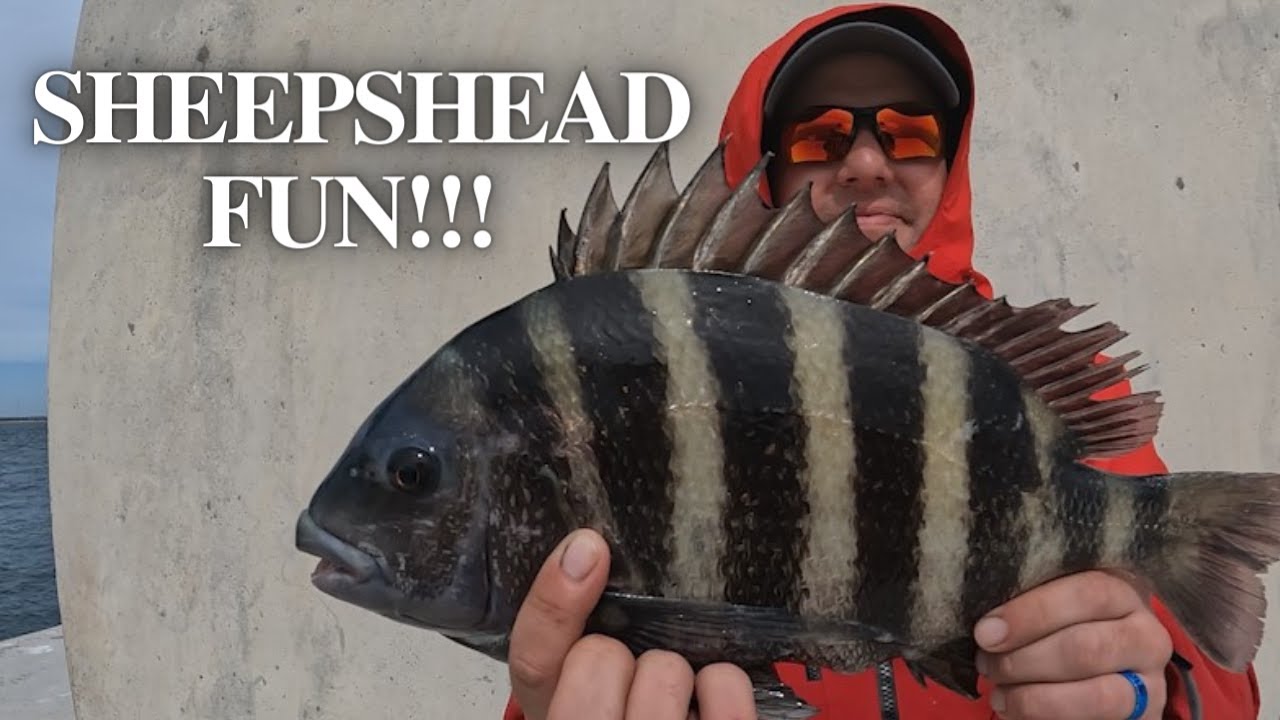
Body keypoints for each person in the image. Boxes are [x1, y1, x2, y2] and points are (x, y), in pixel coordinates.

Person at [500, 4, 1265, 719]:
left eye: (907, 132)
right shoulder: (647, 376)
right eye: (820, 137)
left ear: (949, 164)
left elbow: (1221, 685)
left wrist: (1150, 692)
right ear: (762, 170)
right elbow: (563, 661)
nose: (867, 162)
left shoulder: (1031, 396)